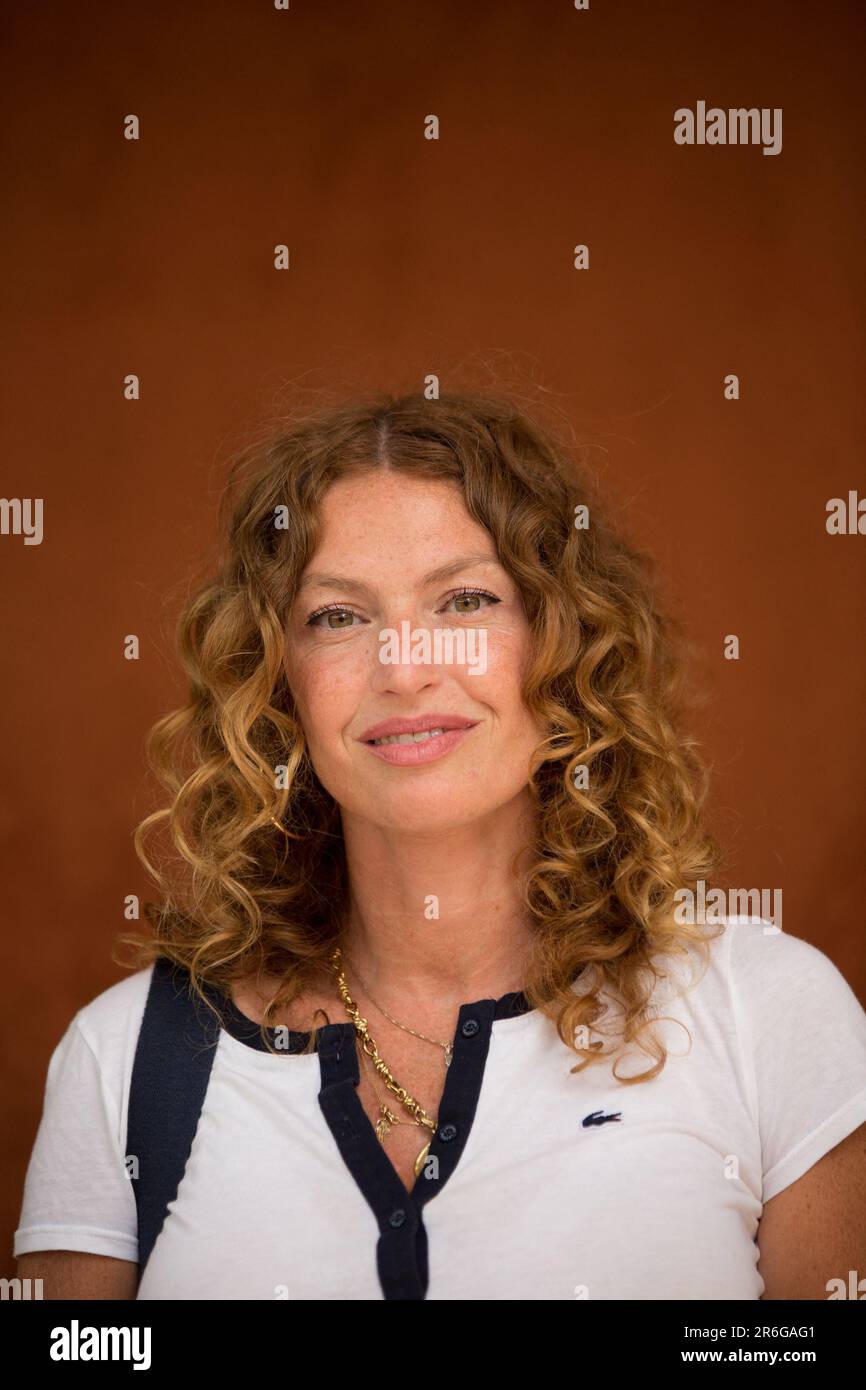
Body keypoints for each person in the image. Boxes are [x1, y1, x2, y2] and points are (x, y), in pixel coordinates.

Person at [14, 391, 866, 1299]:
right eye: (339, 616)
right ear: (277, 681)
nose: (407, 666)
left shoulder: (766, 1011)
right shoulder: (127, 1056)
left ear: (564, 643)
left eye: (466, 600)